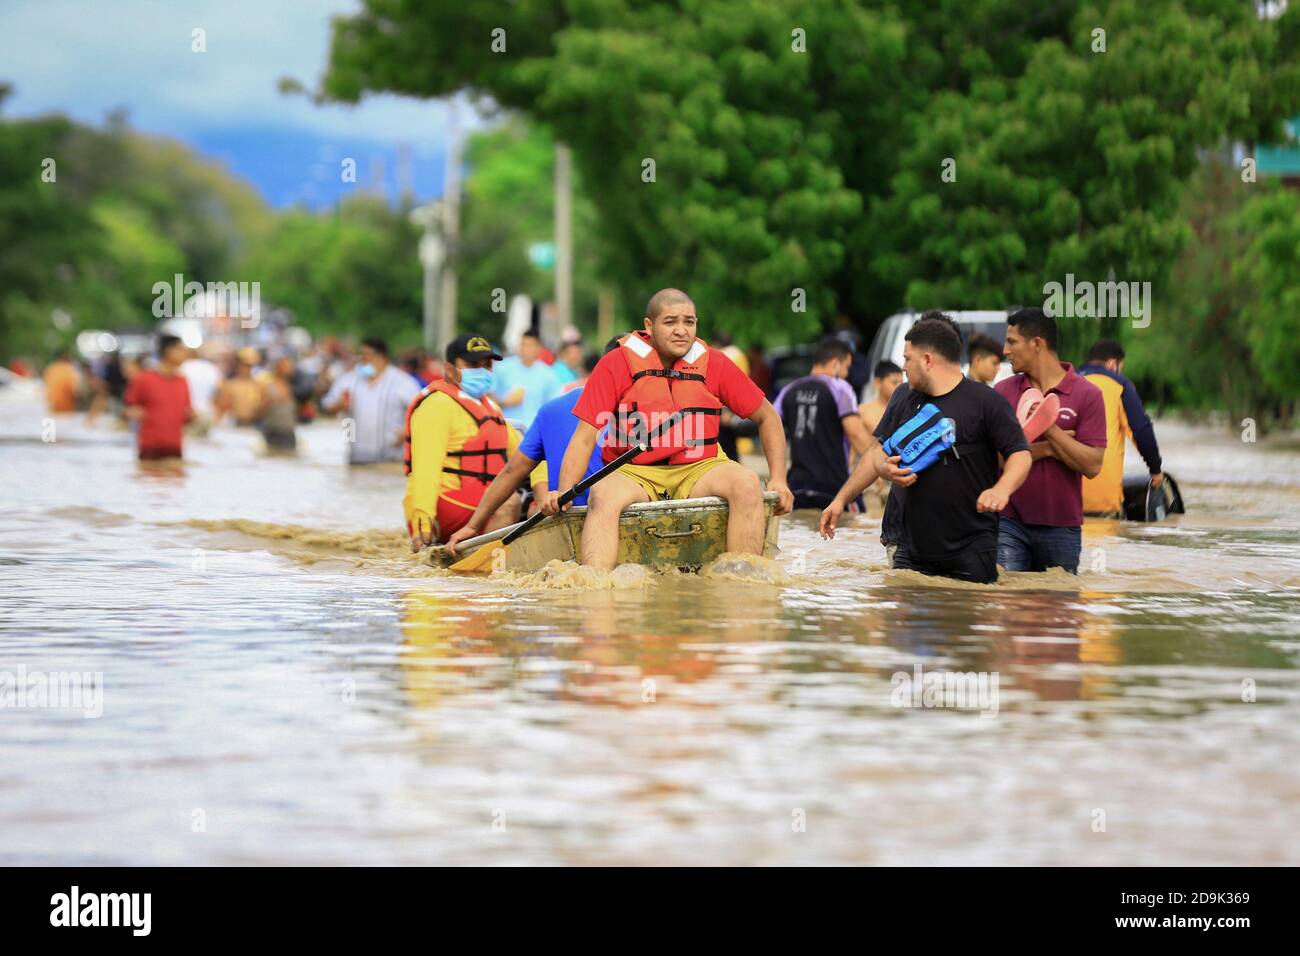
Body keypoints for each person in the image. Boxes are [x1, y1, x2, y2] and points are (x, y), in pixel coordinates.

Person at [541, 288, 794, 570]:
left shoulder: (716, 362)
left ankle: (741, 582)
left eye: (689, 321)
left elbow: (768, 417)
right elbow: (585, 437)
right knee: (602, 495)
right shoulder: (615, 363)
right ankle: (594, 587)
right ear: (649, 326)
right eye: (670, 322)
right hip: (634, 471)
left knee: (748, 483)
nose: (681, 330)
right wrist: (563, 492)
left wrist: (779, 480)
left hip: (699, 468)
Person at [866, 316, 1031, 583]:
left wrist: (1002, 489)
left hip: (971, 548)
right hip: (911, 549)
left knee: (963, 617)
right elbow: (878, 452)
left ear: (928, 360)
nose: (903, 367)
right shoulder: (907, 398)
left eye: (908, 359)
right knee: (898, 619)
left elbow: (1020, 454)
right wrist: (882, 469)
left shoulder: (987, 402)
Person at [444, 339, 622, 556]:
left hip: (563, 527)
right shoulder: (648, 414)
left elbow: (512, 471)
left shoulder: (550, 410)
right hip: (613, 522)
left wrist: (473, 526)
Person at [994, 308, 1106, 573]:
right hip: (1008, 521)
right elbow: (993, 458)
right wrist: (1047, 449)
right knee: (1005, 603)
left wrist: (1050, 428)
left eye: (1011, 342)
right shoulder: (1003, 392)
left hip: (1062, 527)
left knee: (1058, 609)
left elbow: (1092, 466)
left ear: (1037, 344)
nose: (1005, 350)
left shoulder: (1087, 394)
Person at [404, 335, 524, 550]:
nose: (481, 370)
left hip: (479, 502)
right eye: (471, 364)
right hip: (447, 505)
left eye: (486, 365)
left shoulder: (491, 408)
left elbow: (526, 455)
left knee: (529, 502)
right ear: (449, 369)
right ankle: (488, 566)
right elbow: (425, 469)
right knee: (510, 501)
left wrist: (546, 491)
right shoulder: (436, 406)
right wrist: (422, 516)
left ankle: (489, 558)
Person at [774, 336, 873, 511]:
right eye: (846, 368)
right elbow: (855, 433)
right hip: (834, 485)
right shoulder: (841, 388)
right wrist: (876, 467)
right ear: (835, 363)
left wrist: (778, 477)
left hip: (798, 486)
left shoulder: (789, 389)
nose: (847, 374)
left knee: (801, 533)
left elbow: (772, 429)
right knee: (854, 529)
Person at [1079, 339, 1164, 516]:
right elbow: (1141, 431)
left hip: (1064, 499)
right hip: (1102, 497)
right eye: (1121, 367)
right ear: (1112, 363)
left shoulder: (1066, 381)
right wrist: (1155, 470)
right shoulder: (1120, 386)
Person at [322, 337, 421, 465]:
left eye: (367, 356)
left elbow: (423, 412)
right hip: (356, 459)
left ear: (382, 358)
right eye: (361, 355)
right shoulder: (350, 380)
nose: (362, 360)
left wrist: (407, 431)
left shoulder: (403, 382)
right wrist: (338, 405)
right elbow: (327, 406)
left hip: (392, 460)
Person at [123, 335, 193, 460]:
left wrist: (194, 416)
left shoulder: (183, 381)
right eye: (181, 349)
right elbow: (128, 409)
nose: (185, 353)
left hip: (175, 449)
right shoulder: (144, 379)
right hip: (150, 449)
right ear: (168, 351)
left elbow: (186, 415)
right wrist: (133, 413)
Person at [491, 330, 562, 430]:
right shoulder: (502, 367)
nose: (525, 349)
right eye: (523, 344)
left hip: (534, 432)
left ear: (539, 348)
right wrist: (504, 402)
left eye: (530, 345)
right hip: (505, 429)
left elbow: (554, 408)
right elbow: (487, 396)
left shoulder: (549, 375)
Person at [259, 355, 298, 453]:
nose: (290, 369)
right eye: (287, 366)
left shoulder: (289, 387)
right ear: (278, 367)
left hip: (289, 433)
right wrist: (271, 401)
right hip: (273, 433)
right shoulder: (268, 386)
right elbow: (258, 410)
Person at [180, 346, 221, 432]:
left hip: (190, 413)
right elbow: (219, 392)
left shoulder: (183, 367)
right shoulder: (211, 368)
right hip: (207, 412)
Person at [858, 360, 903, 434]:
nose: (899, 387)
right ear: (878, 382)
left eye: (901, 383)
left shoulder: (904, 413)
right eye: (894, 382)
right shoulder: (862, 411)